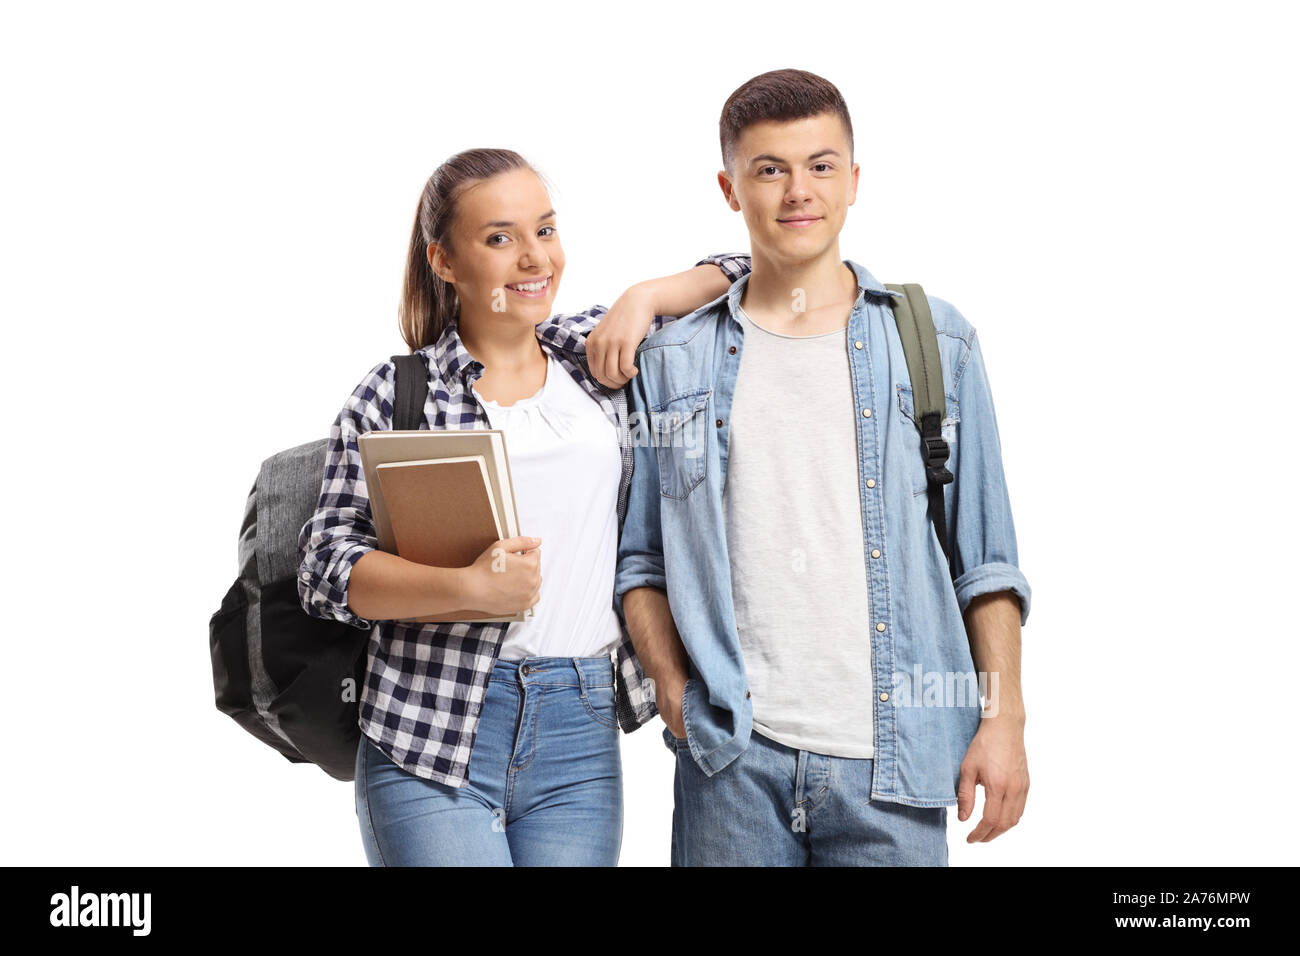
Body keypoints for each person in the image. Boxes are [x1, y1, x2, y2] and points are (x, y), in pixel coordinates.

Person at [614, 69, 1032, 866]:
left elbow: (986, 564)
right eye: (768, 169)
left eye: (821, 165)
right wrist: (674, 693)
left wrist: (1003, 721)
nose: (797, 191)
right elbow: (642, 560)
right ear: (729, 188)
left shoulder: (935, 344)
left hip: (894, 766)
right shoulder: (673, 360)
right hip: (732, 765)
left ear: (854, 180)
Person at [296, 146, 749, 866]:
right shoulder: (400, 393)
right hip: (432, 731)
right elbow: (323, 569)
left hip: (581, 727)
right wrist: (466, 589)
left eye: (545, 229)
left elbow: (747, 274)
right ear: (445, 262)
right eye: (500, 238)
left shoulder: (599, 359)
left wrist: (641, 298)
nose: (534, 259)